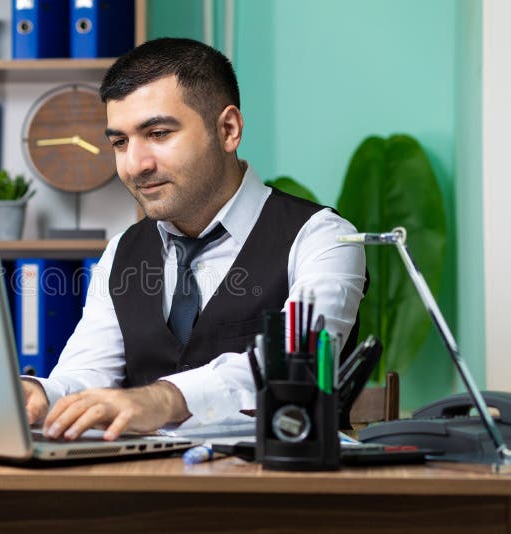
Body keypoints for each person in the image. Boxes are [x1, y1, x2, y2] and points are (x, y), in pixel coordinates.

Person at [21, 37, 366, 441]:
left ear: (228, 129)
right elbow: (88, 373)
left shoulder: (323, 238)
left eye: (159, 133)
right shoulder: (123, 251)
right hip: (147, 490)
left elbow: (295, 362)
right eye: (120, 142)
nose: (135, 165)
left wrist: (163, 399)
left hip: (279, 490)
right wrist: (41, 394)